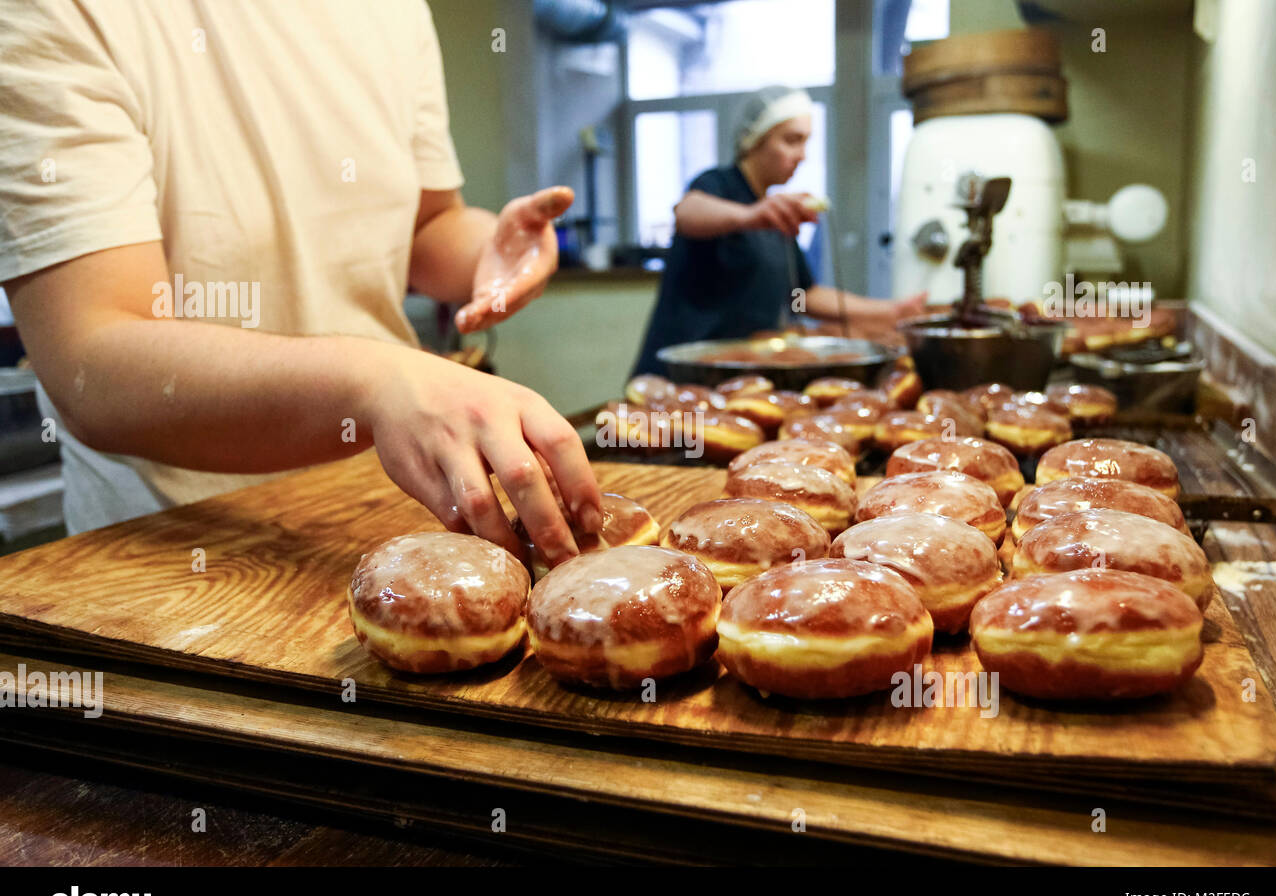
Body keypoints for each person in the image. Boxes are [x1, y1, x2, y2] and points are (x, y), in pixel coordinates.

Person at [0, 0, 599, 569]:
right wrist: (375, 383)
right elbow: (90, 362)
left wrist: (489, 248)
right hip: (173, 551)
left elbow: (428, 224)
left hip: (386, 515)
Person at [631, 85, 927, 377]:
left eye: (805, 142)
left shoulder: (776, 218)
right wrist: (750, 216)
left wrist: (889, 312)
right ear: (754, 140)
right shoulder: (720, 186)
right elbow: (687, 213)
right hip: (678, 374)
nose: (802, 155)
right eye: (791, 140)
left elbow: (801, 297)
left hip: (733, 376)